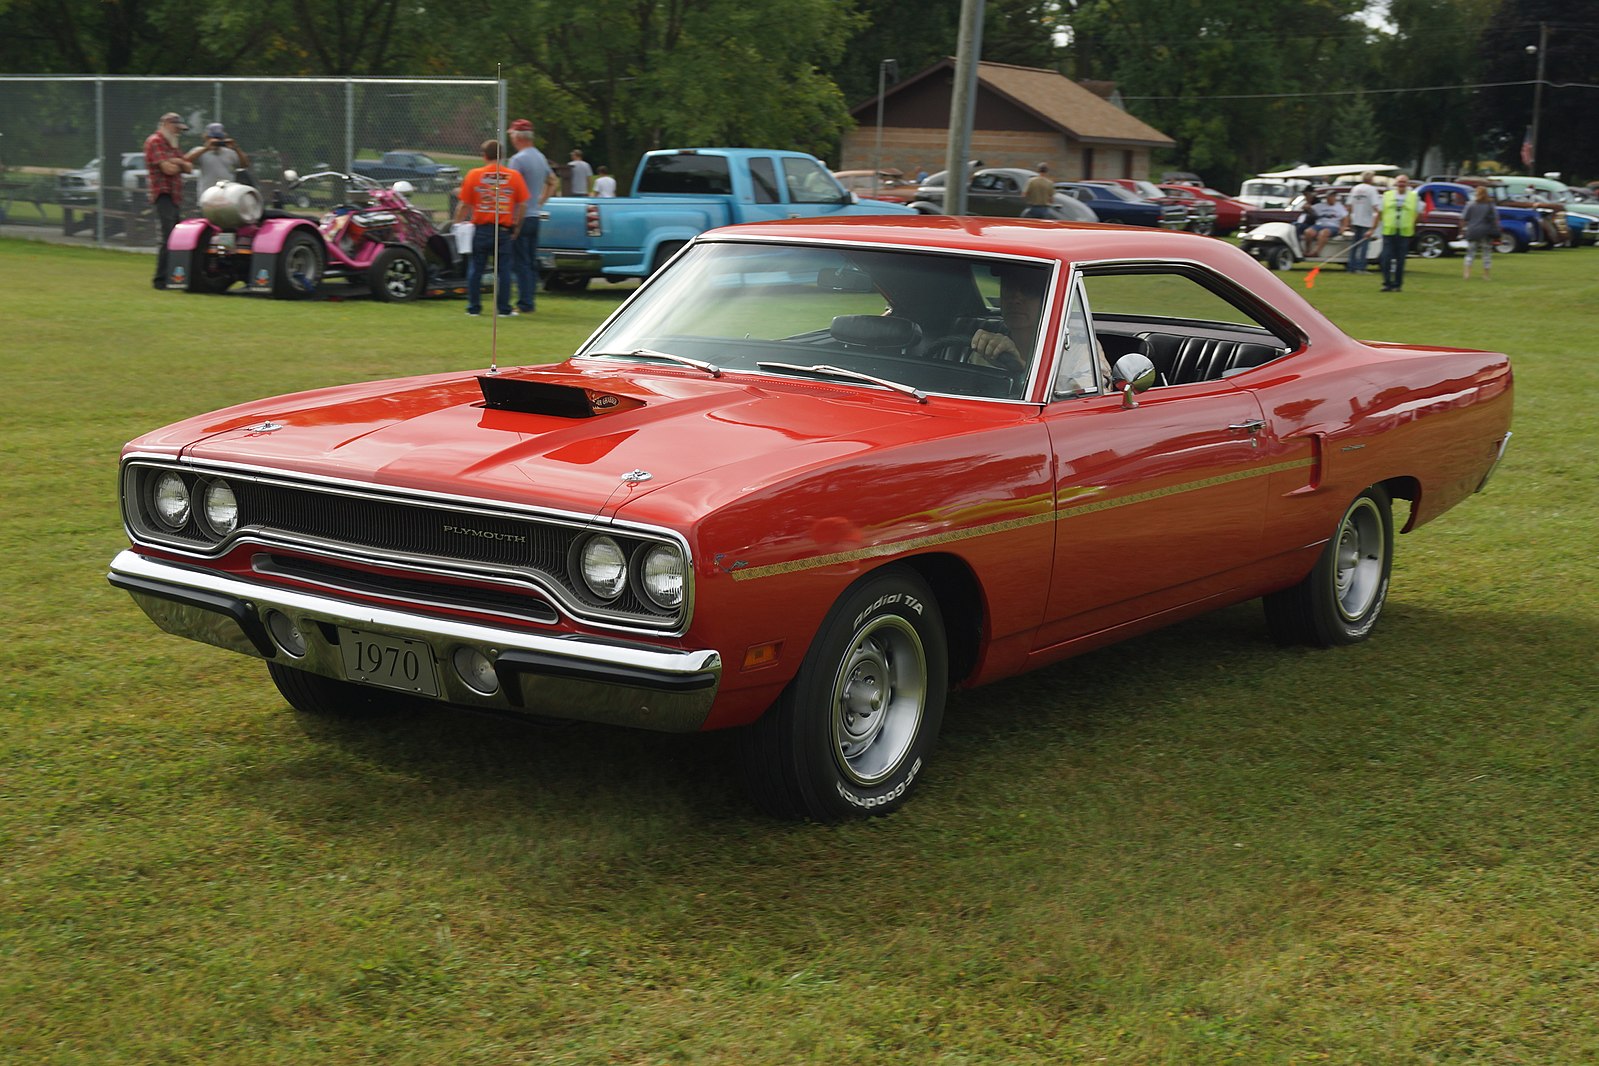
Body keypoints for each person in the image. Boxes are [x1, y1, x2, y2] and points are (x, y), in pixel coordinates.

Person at [454, 139, 530, 317]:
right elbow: (523, 204)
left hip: (480, 229)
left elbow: (464, 204)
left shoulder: (474, 175)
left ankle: (474, 308)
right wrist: (517, 225)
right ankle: (504, 309)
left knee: (476, 269)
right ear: (502, 156)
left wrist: (457, 224)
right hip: (503, 230)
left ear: (484, 155)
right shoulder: (514, 176)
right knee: (503, 270)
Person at [505, 119, 560, 314]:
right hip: (534, 216)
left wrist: (512, 218)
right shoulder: (540, 157)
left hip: (520, 216)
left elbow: (511, 190)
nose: (511, 138)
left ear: (519, 137)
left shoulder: (517, 160)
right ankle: (529, 300)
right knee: (529, 261)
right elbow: (553, 181)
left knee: (518, 262)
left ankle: (524, 303)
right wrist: (540, 201)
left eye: (512, 134)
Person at [144, 111, 196, 289]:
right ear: (166, 125)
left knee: (175, 237)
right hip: (163, 195)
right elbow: (168, 170)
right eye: (176, 128)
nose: (178, 132)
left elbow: (188, 168)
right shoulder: (155, 141)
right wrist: (177, 163)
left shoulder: (172, 145)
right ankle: (160, 279)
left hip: (174, 196)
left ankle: (173, 277)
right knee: (167, 237)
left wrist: (177, 161)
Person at [1378, 173, 1420, 292]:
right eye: (1400, 182)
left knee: (1400, 260)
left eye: (1404, 182)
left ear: (1407, 184)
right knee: (1385, 258)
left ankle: (1397, 284)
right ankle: (1387, 283)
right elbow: (1380, 212)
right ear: (1396, 183)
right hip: (1389, 231)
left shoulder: (1413, 197)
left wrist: (1412, 225)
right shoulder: (1387, 195)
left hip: (1404, 232)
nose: (1401, 184)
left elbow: (1418, 213)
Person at [188, 122, 251, 198]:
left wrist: (236, 148)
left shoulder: (230, 152)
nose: (216, 141)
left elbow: (245, 165)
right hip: (207, 194)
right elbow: (187, 160)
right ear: (206, 138)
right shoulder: (200, 151)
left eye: (219, 138)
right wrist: (206, 148)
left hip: (228, 195)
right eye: (213, 138)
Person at [1461, 185, 1501, 280]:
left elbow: (1464, 218)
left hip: (1472, 231)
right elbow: (1495, 218)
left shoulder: (1470, 204)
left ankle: (1467, 274)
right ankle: (1486, 275)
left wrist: (1463, 230)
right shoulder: (1490, 205)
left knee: (1470, 253)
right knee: (1486, 253)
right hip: (1486, 232)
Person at [1344, 170, 1380, 273]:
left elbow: (1349, 206)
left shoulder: (1355, 188)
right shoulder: (1372, 190)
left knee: (1354, 245)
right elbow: (1376, 206)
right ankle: (1361, 267)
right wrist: (1374, 225)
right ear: (1371, 178)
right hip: (1366, 221)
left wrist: (1349, 220)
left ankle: (1351, 266)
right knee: (1364, 246)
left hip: (1355, 220)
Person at [1304, 189, 1347, 257]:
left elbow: (1345, 218)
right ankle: (1307, 250)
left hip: (1333, 226)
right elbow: (1307, 208)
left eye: (1334, 196)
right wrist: (1307, 205)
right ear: (1327, 197)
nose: (1332, 198)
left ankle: (1316, 252)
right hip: (1320, 225)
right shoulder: (1320, 206)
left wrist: (1343, 227)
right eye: (1331, 196)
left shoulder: (1340, 207)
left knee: (1324, 232)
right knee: (1308, 232)